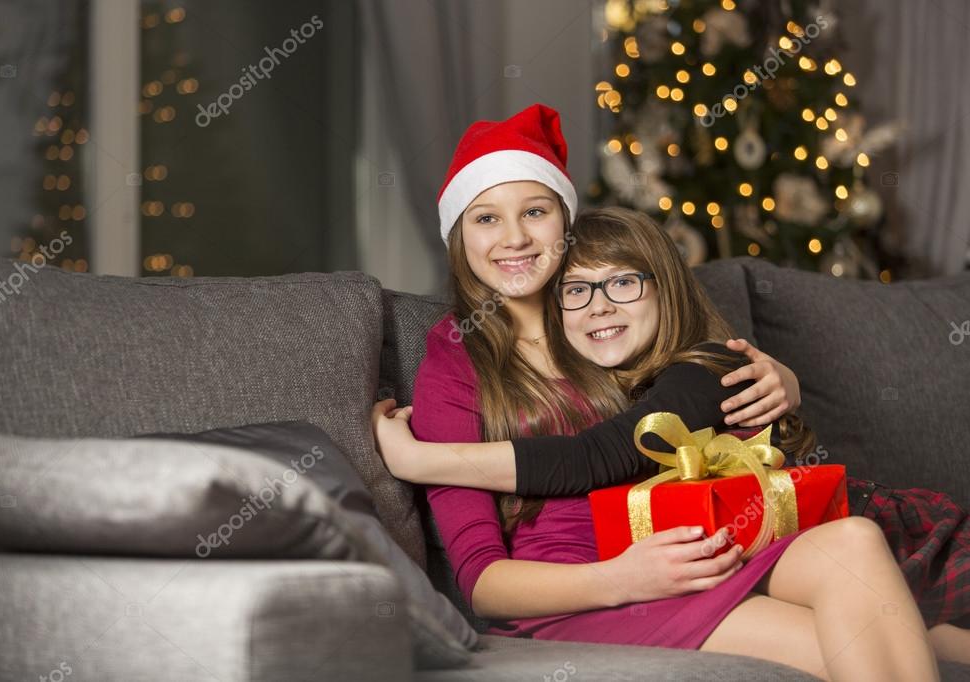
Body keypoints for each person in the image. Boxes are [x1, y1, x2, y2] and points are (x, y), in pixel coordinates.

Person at [372, 104, 941, 680]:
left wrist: (780, 379)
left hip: (692, 543)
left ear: (566, 226)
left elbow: (695, 379)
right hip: (588, 590)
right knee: (860, 646)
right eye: (485, 218)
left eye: (536, 211)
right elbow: (483, 584)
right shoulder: (457, 365)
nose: (515, 237)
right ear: (458, 236)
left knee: (857, 544)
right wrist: (621, 578)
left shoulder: (599, 321)